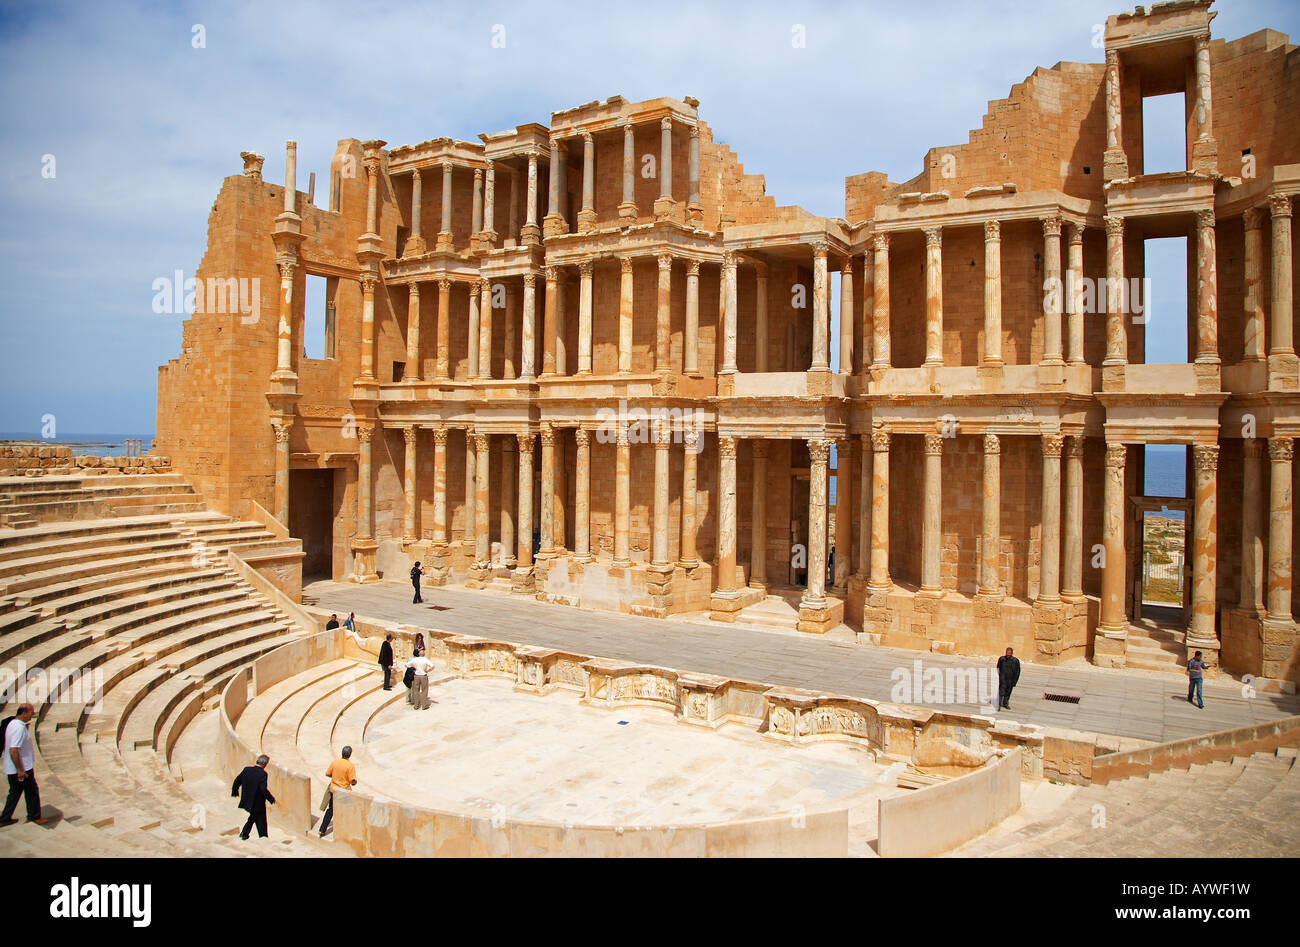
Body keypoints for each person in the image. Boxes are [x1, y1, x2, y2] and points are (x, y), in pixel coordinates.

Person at [0, 703, 42, 825]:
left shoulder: (13, 723)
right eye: (31, 713)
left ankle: (4, 818)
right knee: (32, 792)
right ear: (23, 713)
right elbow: (13, 750)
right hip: (22, 768)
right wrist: (20, 770)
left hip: (11, 768)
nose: (32, 715)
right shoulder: (18, 728)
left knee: (14, 793)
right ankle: (34, 817)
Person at [231, 754, 276, 840]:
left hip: (247, 800)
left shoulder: (247, 770)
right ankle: (263, 837)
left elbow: (237, 781)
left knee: (253, 817)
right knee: (261, 820)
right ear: (264, 764)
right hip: (257, 802)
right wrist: (271, 798)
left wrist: (235, 791)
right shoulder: (263, 774)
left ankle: (245, 833)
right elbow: (263, 789)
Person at [318, 746, 357, 839]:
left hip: (333, 790)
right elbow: (352, 780)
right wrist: (354, 782)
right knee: (347, 810)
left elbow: (327, 773)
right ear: (350, 755)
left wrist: (335, 776)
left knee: (330, 810)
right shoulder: (350, 766)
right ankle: (345, 832)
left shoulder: (335, 762)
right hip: (344, 791)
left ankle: (322, 830)